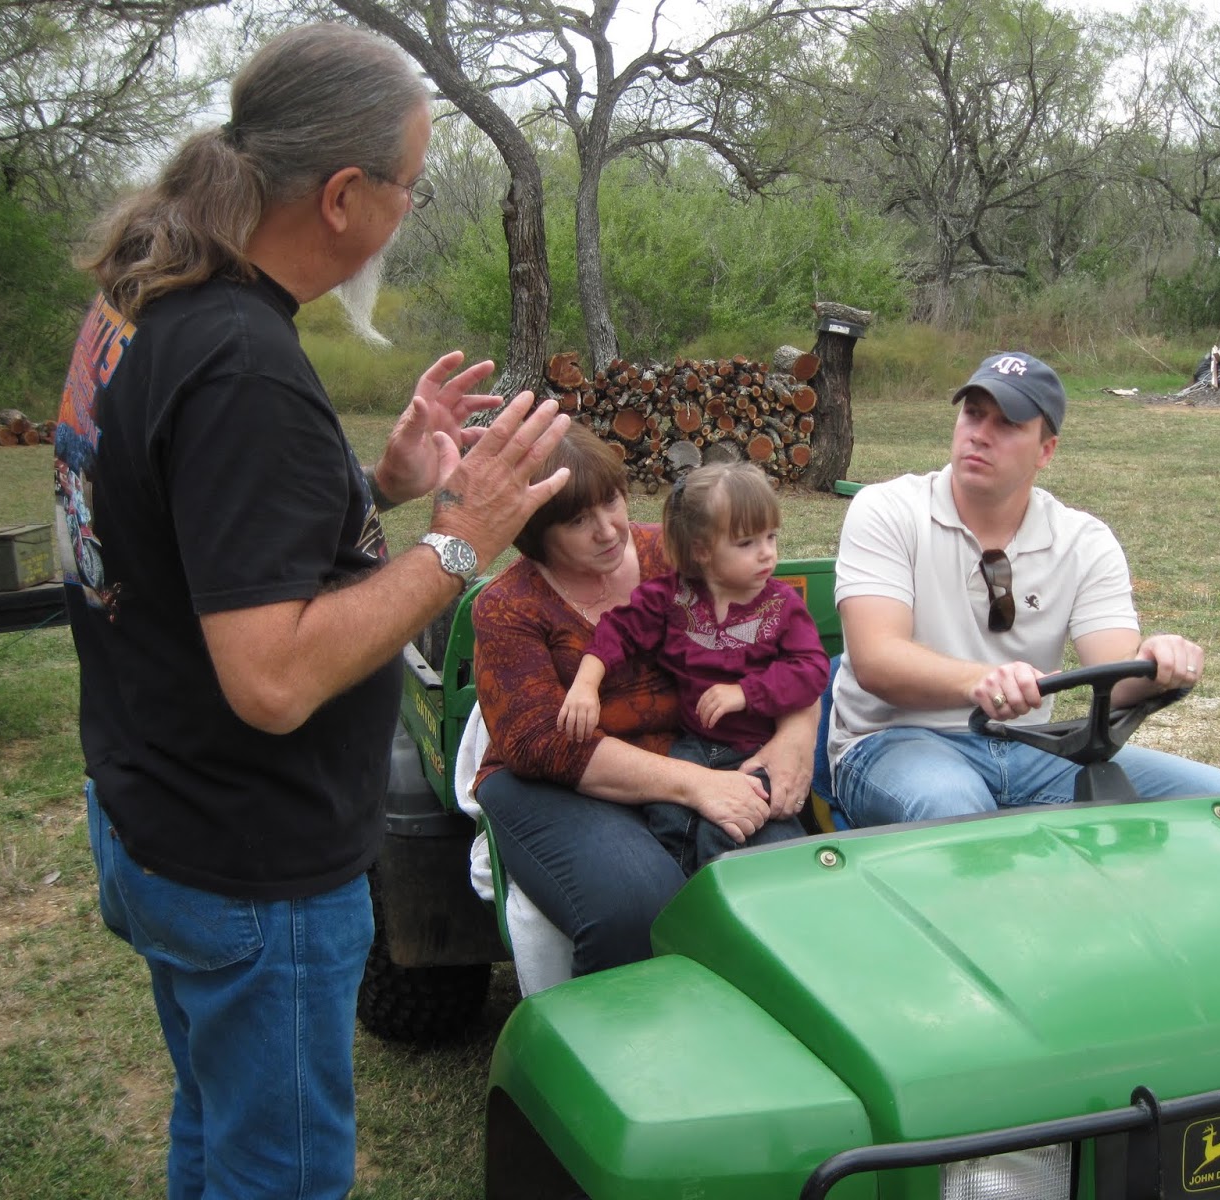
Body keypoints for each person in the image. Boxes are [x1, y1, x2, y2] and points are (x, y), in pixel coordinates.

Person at [51, 24, 573, 1200]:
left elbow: (183, 525)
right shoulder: (241, 364)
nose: (407, 207)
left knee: (216, 1132)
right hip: (249, 864)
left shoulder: (151, 289)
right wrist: (460, 539)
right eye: (409, 184)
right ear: (343, 195)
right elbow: (272, 678)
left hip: (152, 808)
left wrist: (375, 488)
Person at [828, 350, 1220, 825]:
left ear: (1046, 451)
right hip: (892, 742)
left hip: (1029, 748)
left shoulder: (1083, 541)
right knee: (956, 810)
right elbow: (876, 661)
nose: (979, 435)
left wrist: (1156, 661)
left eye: (1007, 424)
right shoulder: (888, 509)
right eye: (973, 413)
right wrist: (979, 682)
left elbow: (1115, 676)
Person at [471, 426, 819, 974]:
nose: (609, 529)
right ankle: (627, 1047)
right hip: (564, 784)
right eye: (577, 520)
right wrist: (699, 786)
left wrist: (796, 735)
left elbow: (781, 636)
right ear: (534, 530)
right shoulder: (508, 607)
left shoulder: (679, 551)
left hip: (706, 748)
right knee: (637, 903)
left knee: (772, 868)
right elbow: (541, 744)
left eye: (610, 500)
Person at [559, 461, 828, 871]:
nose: (767, 552)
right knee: (669, 818)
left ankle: (733, 906)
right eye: (746, 542)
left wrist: (746, 692)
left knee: (734, 827)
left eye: (771, 536)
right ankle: (678, 897)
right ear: (702, 550)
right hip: (694, 746)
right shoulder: (672, 599)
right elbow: (619, 631)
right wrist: (586, 683)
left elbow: (810, 669)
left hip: (758, 749)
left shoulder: (781, 607)